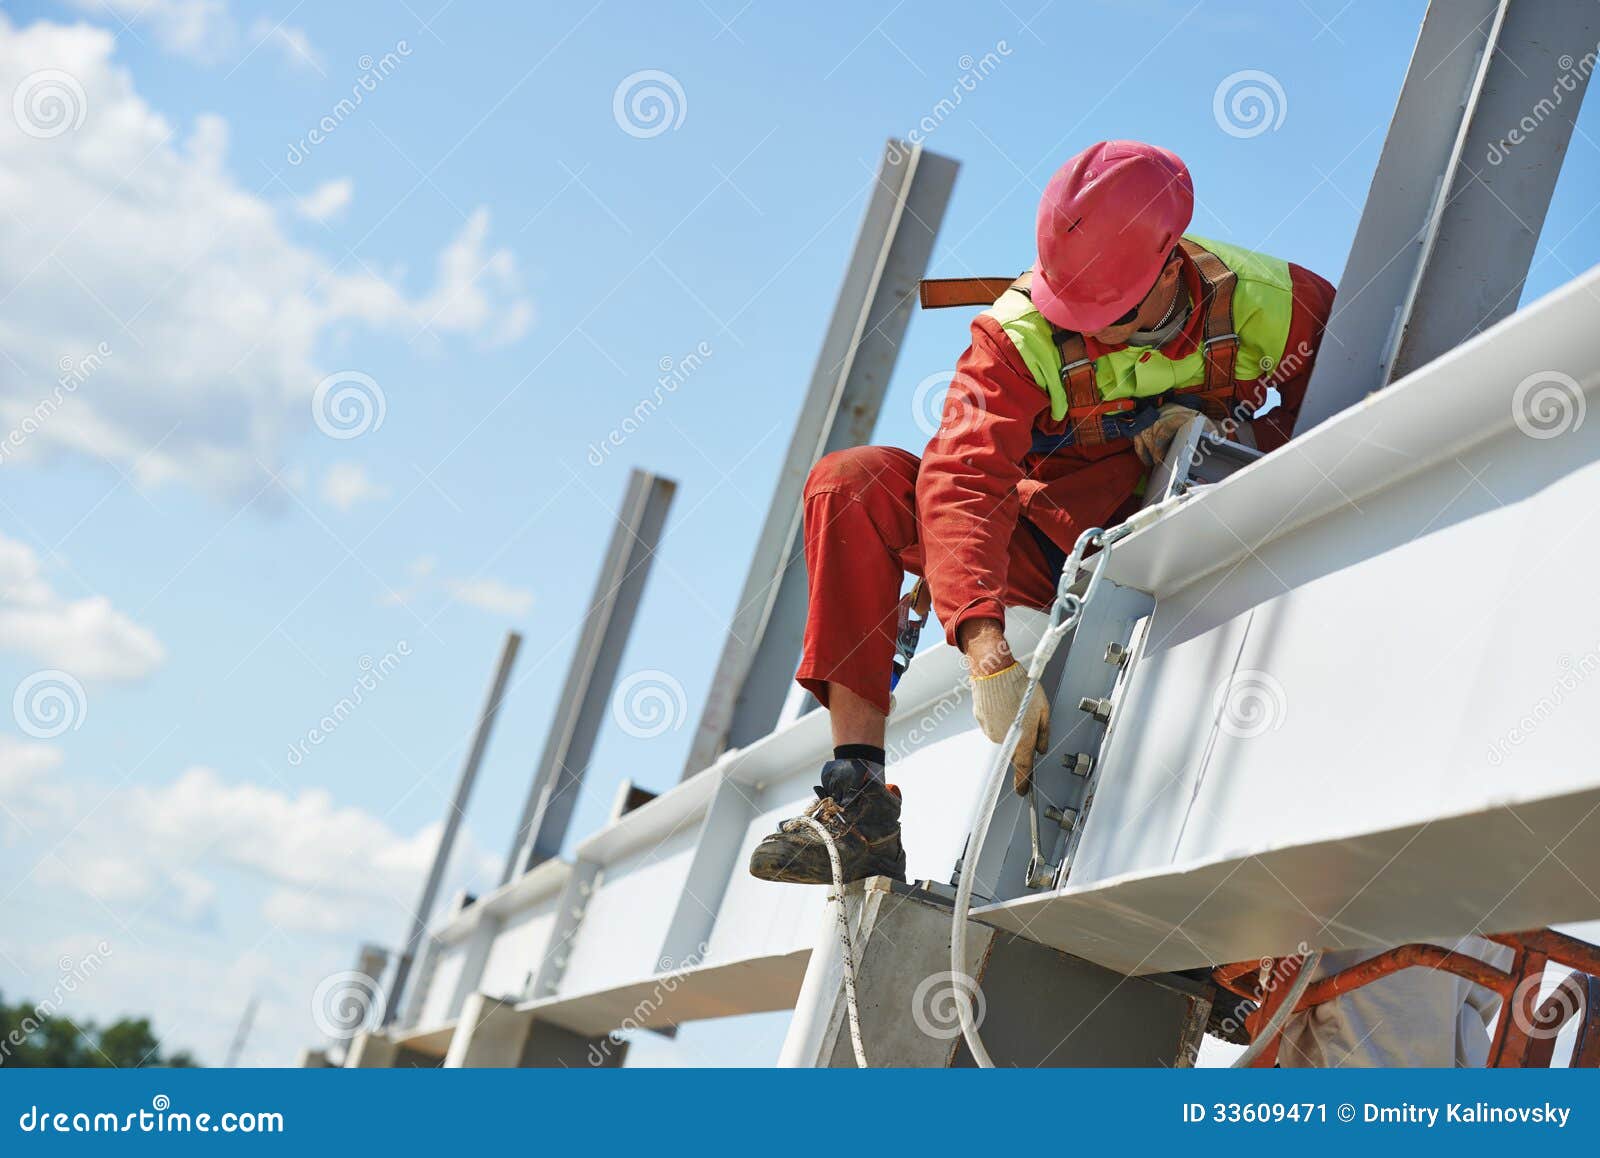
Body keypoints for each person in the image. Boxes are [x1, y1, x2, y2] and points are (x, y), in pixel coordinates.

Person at [747, 140, 1335, 887]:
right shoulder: (1017, 333)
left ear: (1168, 264)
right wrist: (985, 649)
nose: (1090, 330)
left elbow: (1355, 415)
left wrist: (1219, 435)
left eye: (1109, 313)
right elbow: (963, 476)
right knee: (852, 484)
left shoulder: (1274, 304)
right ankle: (859, 796)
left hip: (1171, 566)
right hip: (1031, 549)